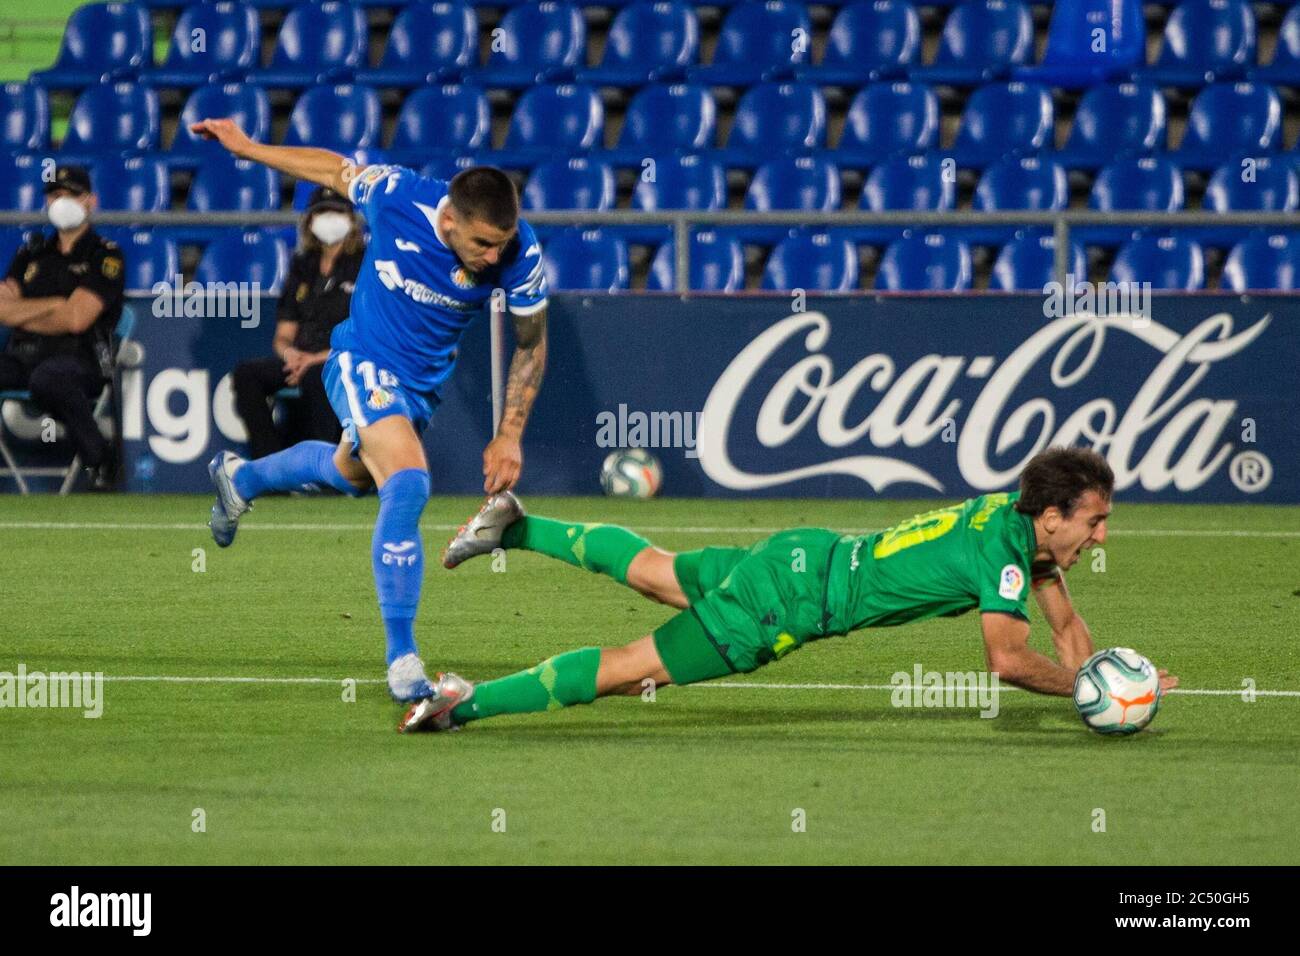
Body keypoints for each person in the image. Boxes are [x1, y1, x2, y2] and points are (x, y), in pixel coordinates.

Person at [402, 446, 1180, 733]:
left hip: (802, 553)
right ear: (1051, 516)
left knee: (657, 573)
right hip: (792, 604)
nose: (1102, 536)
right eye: (1097, 522)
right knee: (632, 666)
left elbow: (1068, 625)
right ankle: (463, 704)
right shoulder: (1007, 555)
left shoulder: (1017, 527)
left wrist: (1117, 681)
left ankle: (520, 526)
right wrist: (1085, 692)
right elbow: (1009, 661)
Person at [190, 116, 548, 704]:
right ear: (450, 219)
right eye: (482, 243)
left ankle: (242, 477)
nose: (492, 256)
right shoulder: (397, 194)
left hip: (420, 388)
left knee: (353, 474)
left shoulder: (519, 252)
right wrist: (249, 148)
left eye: (501, 244)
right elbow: (333, 167)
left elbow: (531, 343)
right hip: (361, 359)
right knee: (407, 484)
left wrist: (509, 434)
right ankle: (402, 659)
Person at [0, 164, 125, 490]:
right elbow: (1, 309)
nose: (61, 201)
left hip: (79, 357)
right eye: (55, 195)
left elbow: (76, 319)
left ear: (90, 201)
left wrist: (23, 311)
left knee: (49, 378)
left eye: (71, 195)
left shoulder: (105, 256)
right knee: (37, 373)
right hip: (21, 354)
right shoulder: (31, 252)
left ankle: (99, 457)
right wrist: (55, 304)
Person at [231, 186, 363, 459]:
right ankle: (269, 463)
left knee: (319, 377)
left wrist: (313, 360)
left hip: (344, 359)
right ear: (310, 221)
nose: (328, 218)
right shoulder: (303, 265)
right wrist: (290, 354)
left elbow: (364, 335)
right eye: (321, 212)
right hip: (301, 357)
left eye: (335, 212)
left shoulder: (364, 265)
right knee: (247, 374)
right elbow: (284, 333)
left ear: (350, 219)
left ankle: (326, 469)